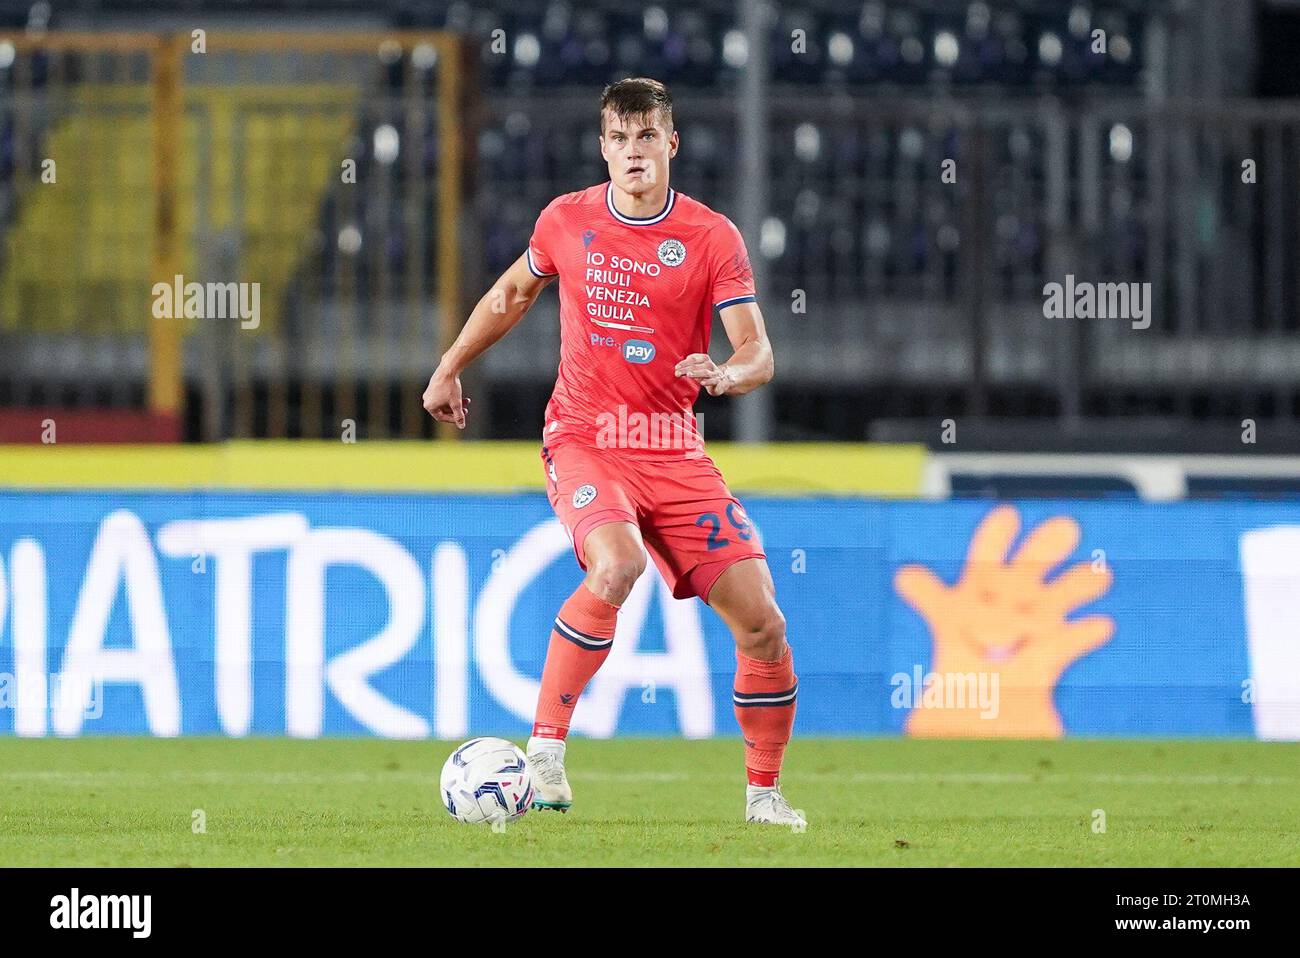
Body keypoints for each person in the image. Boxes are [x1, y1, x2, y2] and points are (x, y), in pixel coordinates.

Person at [423, 77, 801, 825]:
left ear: (672, 144)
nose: (634, 152)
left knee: (763, 622)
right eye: (620, 139)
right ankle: (546, 753)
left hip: (674, 448)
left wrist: (726, 375)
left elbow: (758, 350)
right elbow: (510, 296)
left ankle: (764, 797)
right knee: (617, 563)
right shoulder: (566, 220)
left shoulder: (710, 236)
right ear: (604, 148)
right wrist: (449, 365)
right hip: (586, 437)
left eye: (647, 137)